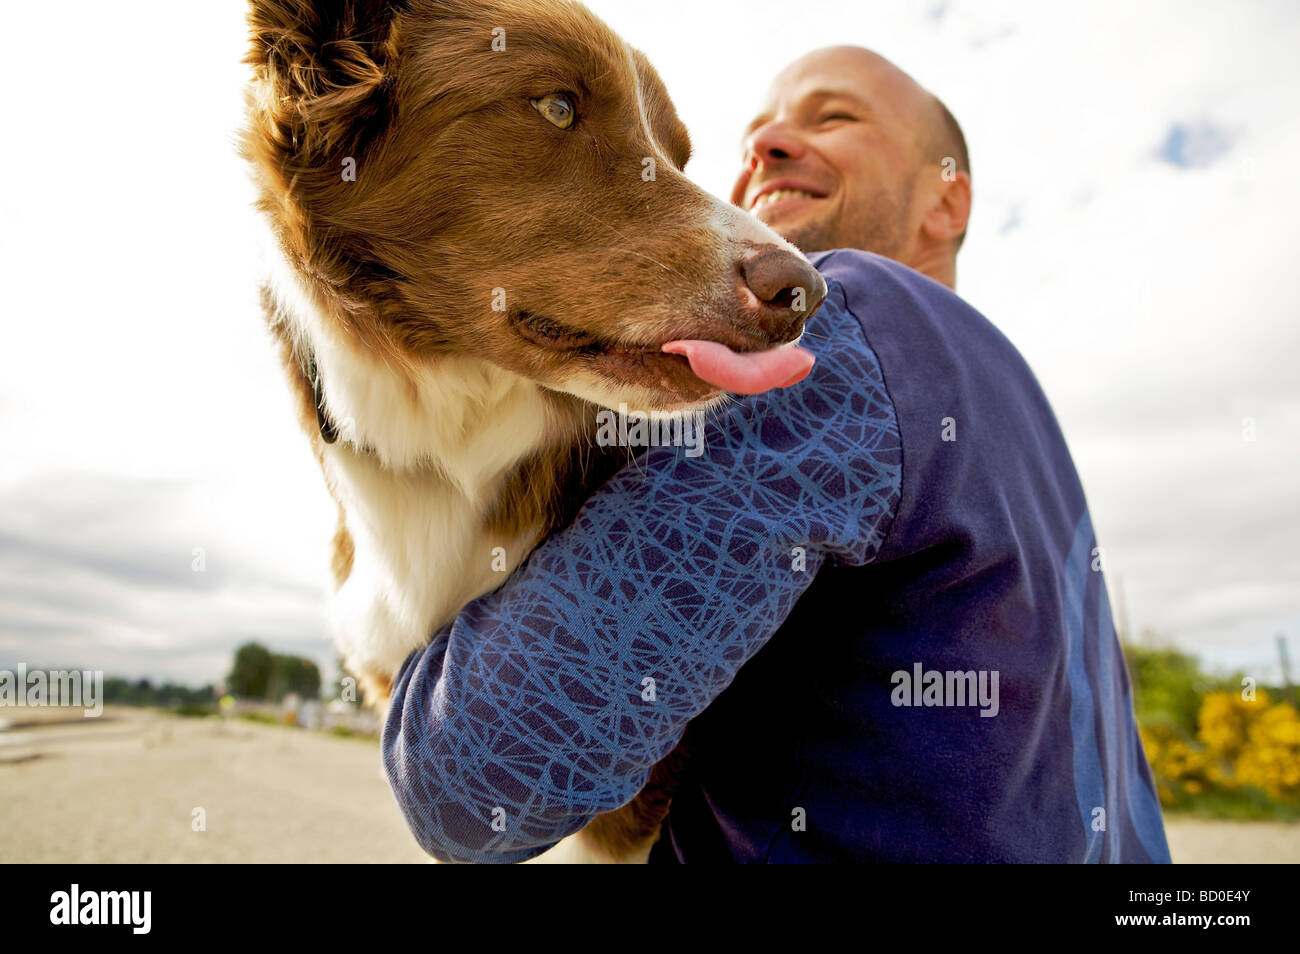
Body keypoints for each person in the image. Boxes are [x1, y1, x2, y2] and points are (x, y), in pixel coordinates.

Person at [380, 47, 1172, 864]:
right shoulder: (1012, 404)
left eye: (834, 117)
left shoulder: (851, 320)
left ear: (948, 196)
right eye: (755, 135)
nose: (769, 147)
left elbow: (471, 787)